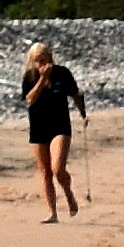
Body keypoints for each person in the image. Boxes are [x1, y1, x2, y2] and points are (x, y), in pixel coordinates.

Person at [18, 44, 87, 219]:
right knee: (45, 172)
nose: (43, 63)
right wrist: (42, 79)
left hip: (60, 125)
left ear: (51, 58)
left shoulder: (62, 73)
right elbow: (30, 99)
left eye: (45, 58)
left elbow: (76, 94)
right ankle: (52, 213)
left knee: (57, 168)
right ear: (33, 62)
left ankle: (69, 194)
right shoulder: (30, 77)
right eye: (38, 60)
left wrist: (83, 113)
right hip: (39, 127)